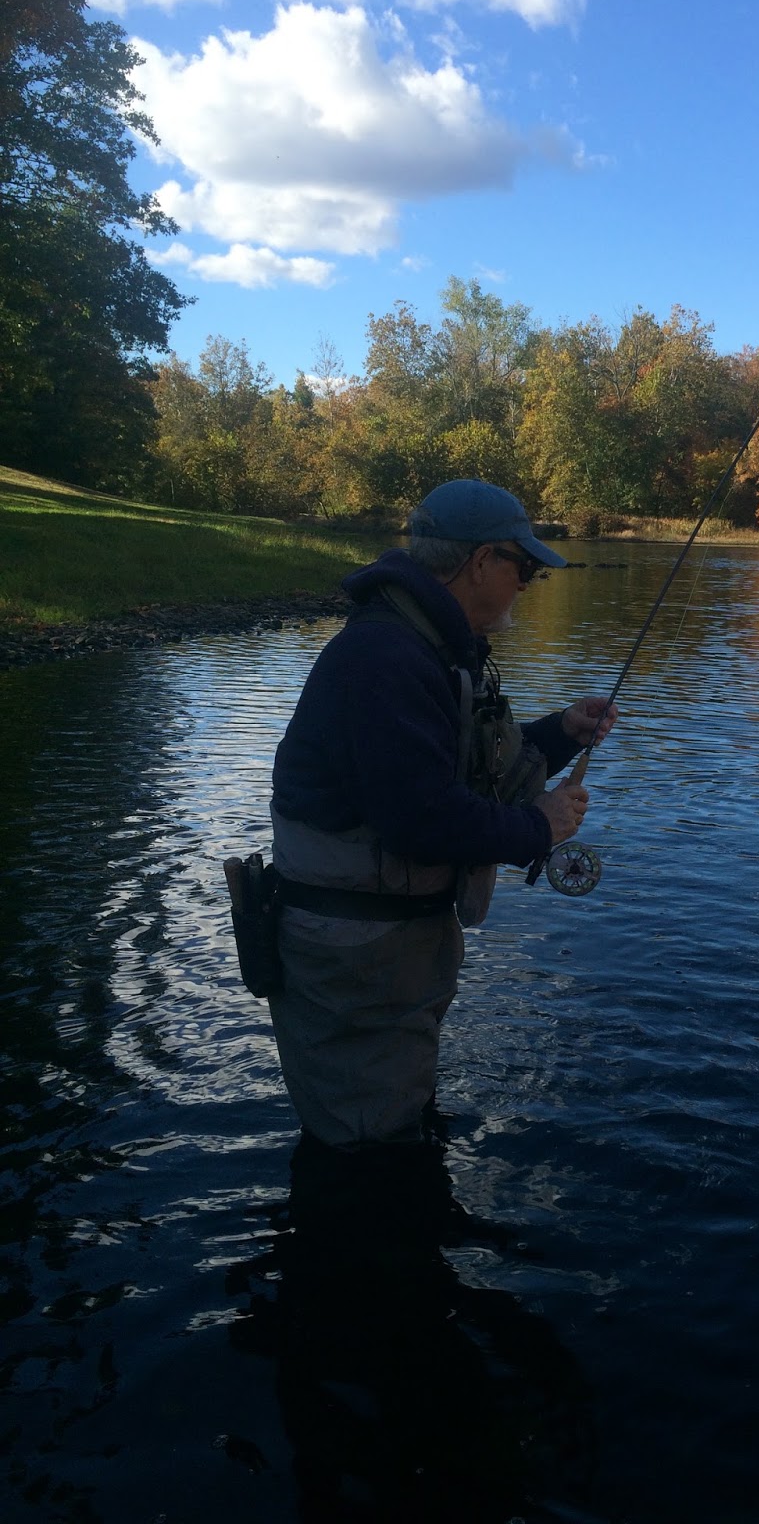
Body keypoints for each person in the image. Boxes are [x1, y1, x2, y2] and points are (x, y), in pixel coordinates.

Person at [267, 479, 616, 1147]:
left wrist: (558, 733)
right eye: (525, 567)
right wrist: (536, 827)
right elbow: (418, 816)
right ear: (482, 561)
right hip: (355, 962)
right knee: (366, 1152)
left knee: (391, 1126)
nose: (527, 584)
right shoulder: (384, 657)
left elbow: (453, 770)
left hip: (384, 952)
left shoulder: (425, 645)